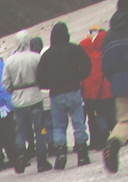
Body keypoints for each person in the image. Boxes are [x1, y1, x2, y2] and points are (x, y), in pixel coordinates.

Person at [37, 21, 92, 167]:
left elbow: (40, 79)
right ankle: (82, 154)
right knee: (79, 123)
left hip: (56, 94)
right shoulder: (74, 49)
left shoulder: (47, 55)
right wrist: (79, 77)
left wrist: (50, 86)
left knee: (59, 126)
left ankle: (61, 152)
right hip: (73, 90)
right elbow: (87, 65)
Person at [2, 31, 52, 172]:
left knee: (20, 129)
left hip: (18, 97)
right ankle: (42, 160)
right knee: (40, 129)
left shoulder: (10, 61)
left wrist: (14, 90)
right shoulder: (36, 57)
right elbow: (43, 75)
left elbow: (5, 82)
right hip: (34, 95)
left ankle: (21, 153)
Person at [101, 0, 128, 173]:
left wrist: (116, 79)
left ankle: (113, 142)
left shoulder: (109, 35)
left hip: (120, 83)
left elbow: (105, 66)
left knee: (125, 120)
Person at [80, 27, 113, 150]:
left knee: (98, 116)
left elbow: (93, 79)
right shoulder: (103, 54)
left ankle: (101, 139)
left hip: (94, 94)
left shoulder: (88, 60)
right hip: (109, 90)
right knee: (111, 113)